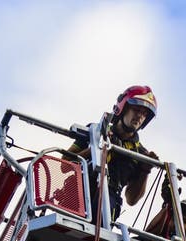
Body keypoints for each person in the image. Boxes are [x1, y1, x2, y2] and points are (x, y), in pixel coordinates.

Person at [66, 85, 159, 223]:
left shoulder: (140, 153)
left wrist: (145, 170)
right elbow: (64, 164)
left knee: (107, 203)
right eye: (137, 109)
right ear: (123, 108)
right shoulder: (94, 131)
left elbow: (131, 199)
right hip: (77, 192)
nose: (140, 116)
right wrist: (98, 149)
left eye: (145, 114)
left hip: (108, 204)